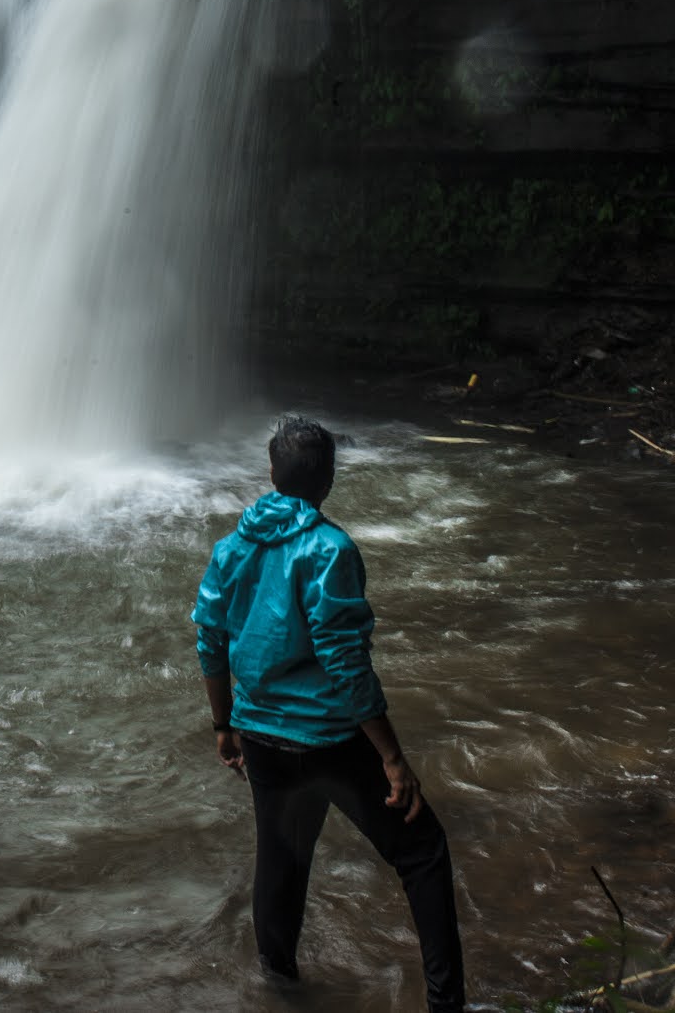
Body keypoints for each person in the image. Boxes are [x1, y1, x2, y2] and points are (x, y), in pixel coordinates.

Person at [190, 415, 465, 1012]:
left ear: (270, 472)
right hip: (331, 741)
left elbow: (209, 638)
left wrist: (224, 724)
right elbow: (343, 660)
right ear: (329, 482)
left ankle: (280, 992)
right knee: (422, 853)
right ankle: (447, 1005)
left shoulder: (231, 549)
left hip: (261, 735)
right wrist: (392, 757)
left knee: (282, 862)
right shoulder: (329, 548)